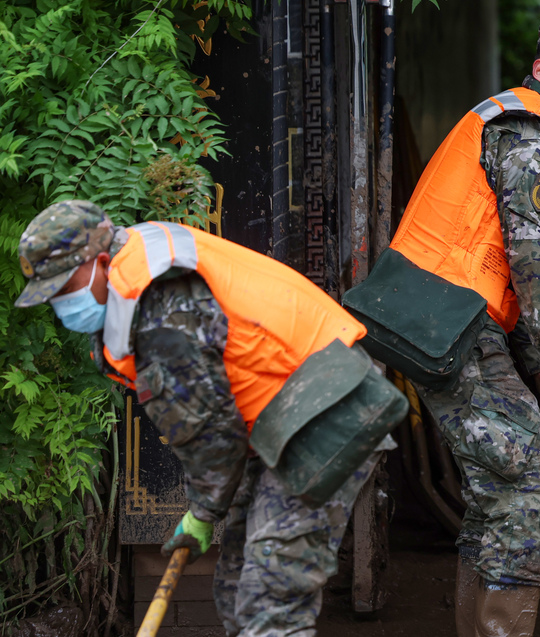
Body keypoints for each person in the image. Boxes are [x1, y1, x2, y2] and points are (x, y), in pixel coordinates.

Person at [15, 200, 386, 637]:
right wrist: (206, 512)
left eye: (63, 287)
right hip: (277, 415)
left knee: (269, 601)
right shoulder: (132, 270)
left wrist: (204, 512)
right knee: (236, 589)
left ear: (98, 261)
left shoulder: (158, 306)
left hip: (326, 407)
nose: (60, 302)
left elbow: (211, 433)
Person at [388, 16, 540, 637]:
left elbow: (499, 266)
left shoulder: (518, 123)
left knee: (498, 495)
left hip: (447, 316)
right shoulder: (526, 136)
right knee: (530, 491)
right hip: (450, 323)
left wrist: (537, 358)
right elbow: (530, 259)